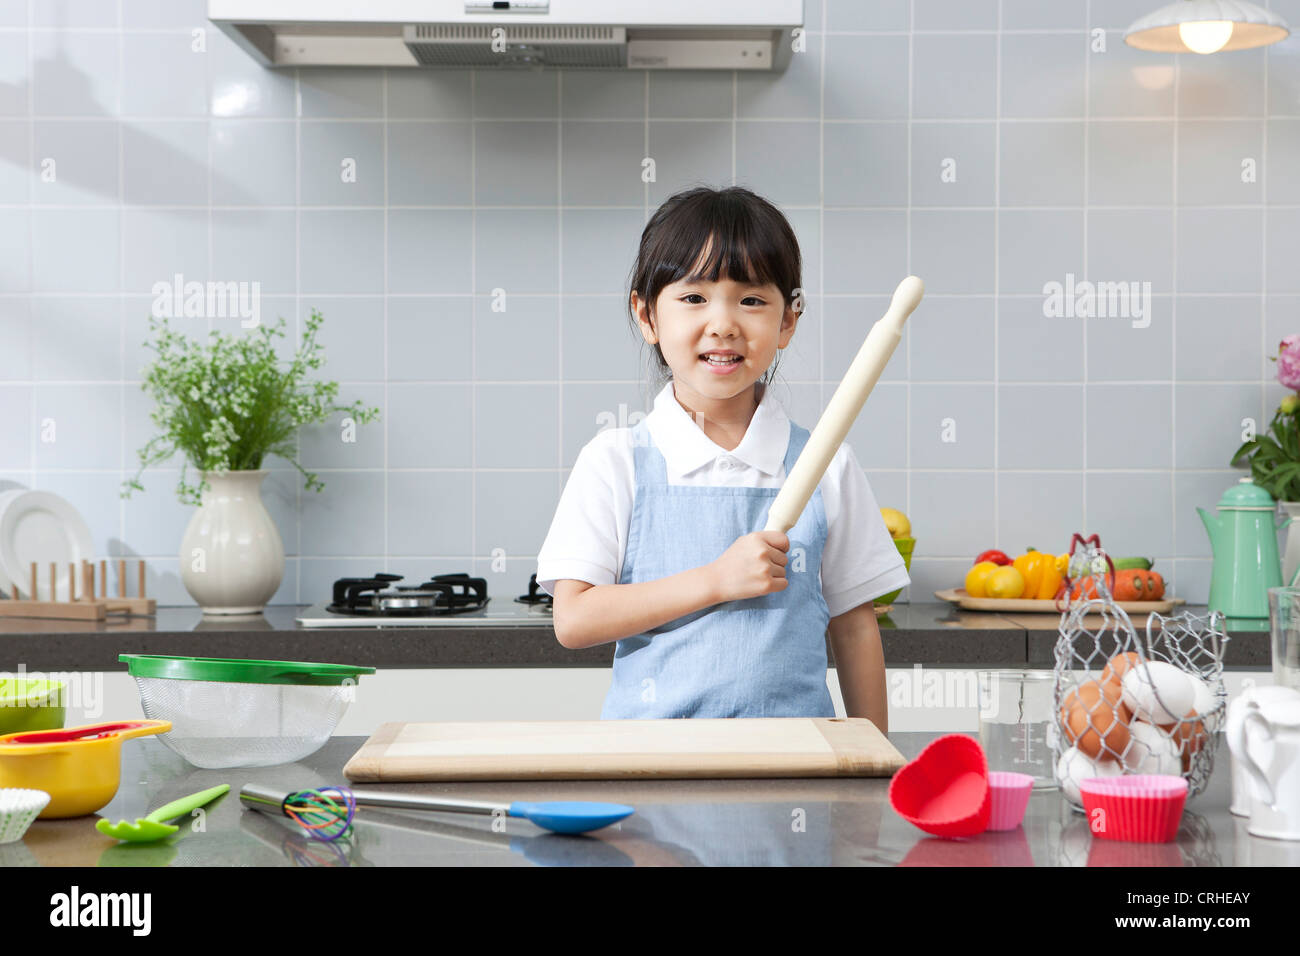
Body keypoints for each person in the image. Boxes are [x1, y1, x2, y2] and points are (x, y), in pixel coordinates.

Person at [535, 185, 908, 723]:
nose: (724, 323)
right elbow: (573, 620)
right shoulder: (616, 461)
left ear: (787, 322)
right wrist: (715, 580)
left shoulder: (827, 465)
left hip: (797, 773)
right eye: (693, 298)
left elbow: (854, 625)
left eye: (752, 299)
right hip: (648, 774)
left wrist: (875, 762)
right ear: (646, 315)